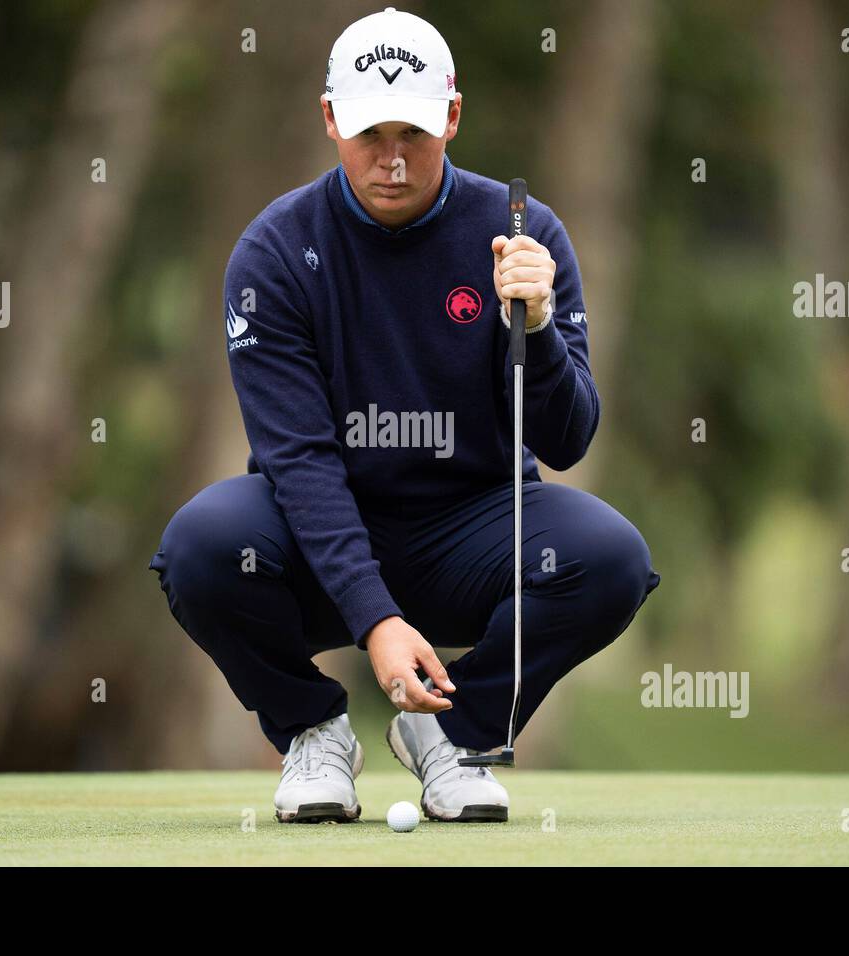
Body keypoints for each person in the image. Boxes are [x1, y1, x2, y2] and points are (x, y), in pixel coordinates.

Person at [150, 7, 660, 824]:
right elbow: (301, 460)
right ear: (329, 120)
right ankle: (312, 730)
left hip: (474, 527)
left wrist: (533, 329)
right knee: (202, 548)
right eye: (369, 134)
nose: (391, 160)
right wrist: (376, 620)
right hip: (320, 532)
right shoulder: (275, 251)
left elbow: (567, 440)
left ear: (452, 117)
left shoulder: (522, 237)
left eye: (414, 134)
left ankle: (455, 737)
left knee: (610, 558)